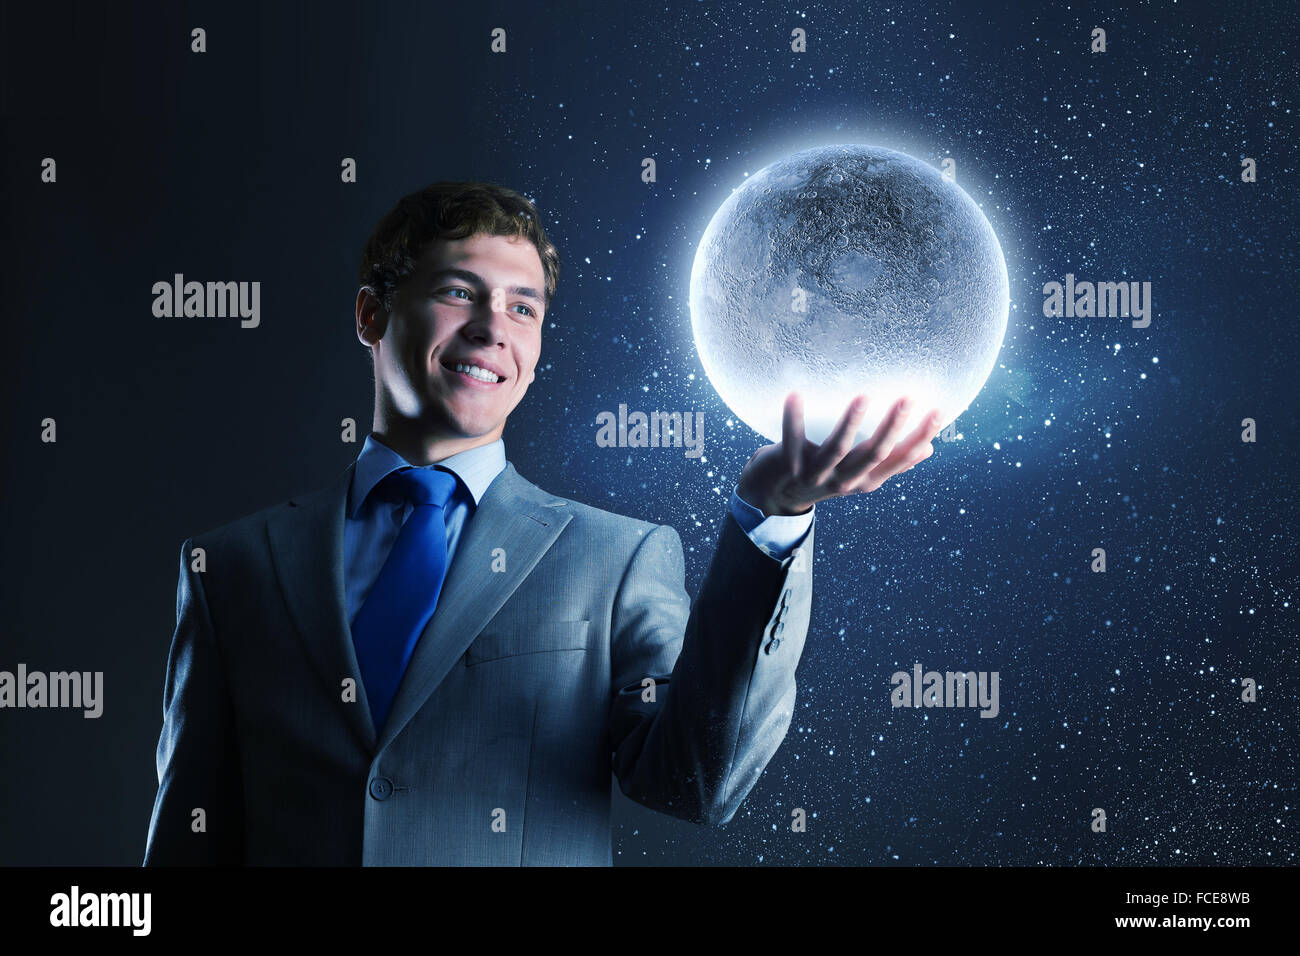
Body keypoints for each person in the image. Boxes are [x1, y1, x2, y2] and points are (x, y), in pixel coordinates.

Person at [143, 181, 942, 866]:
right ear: (370, 315)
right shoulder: (233, 565)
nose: (493, 327)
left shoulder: (616, 557)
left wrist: (772, 517)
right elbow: (188, 836)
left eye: (522, 307)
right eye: (459, 291)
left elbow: (698, 782)